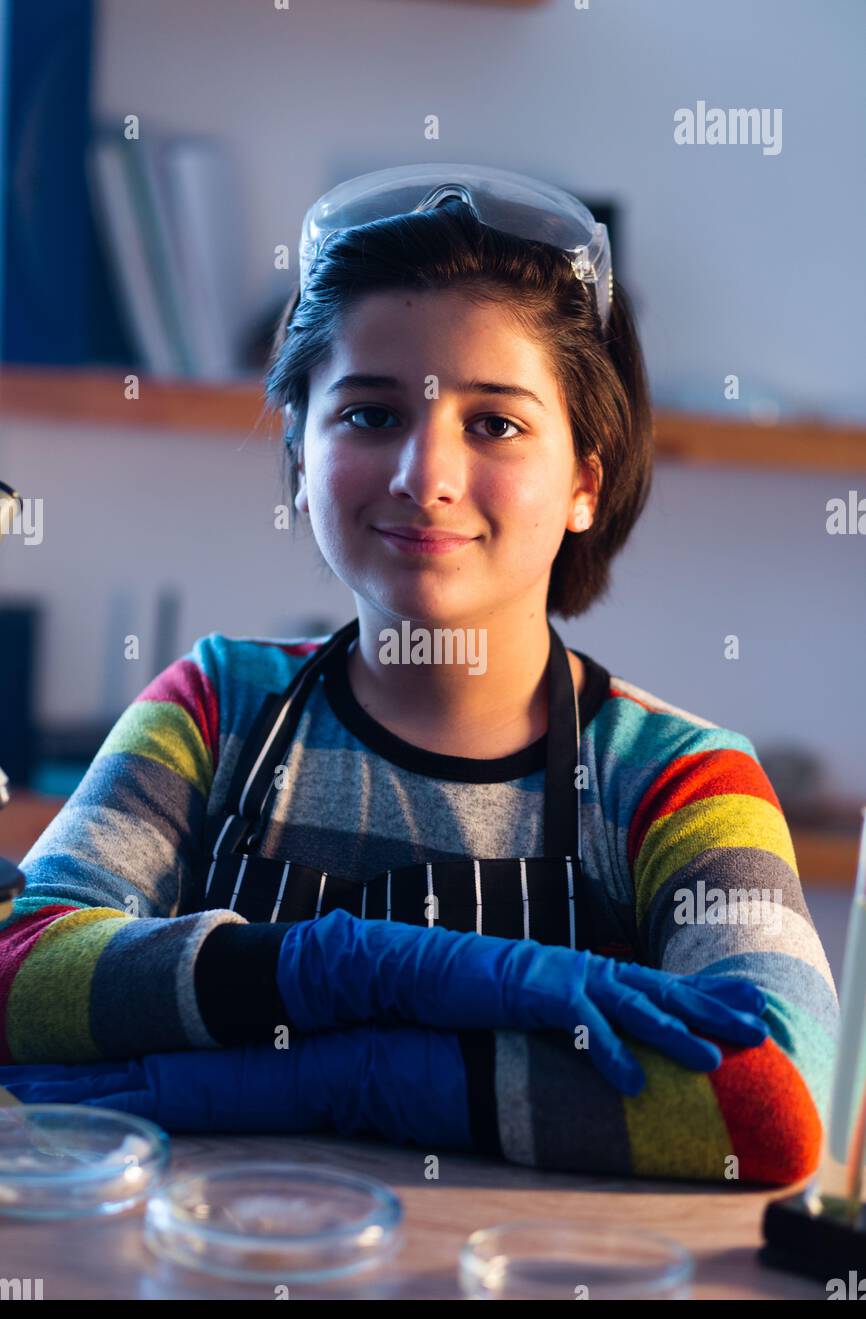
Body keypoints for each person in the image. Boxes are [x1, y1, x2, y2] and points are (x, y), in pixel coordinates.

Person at [0, 166, 838, 1183]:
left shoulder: (682, 781)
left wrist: (345, 1076)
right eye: (368, 414)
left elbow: (768, 1097)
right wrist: (360, 962)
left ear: (585, 478)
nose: (422, 475)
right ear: (301, 460)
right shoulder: (212, 709)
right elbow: (21, 971)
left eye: (494, 423)